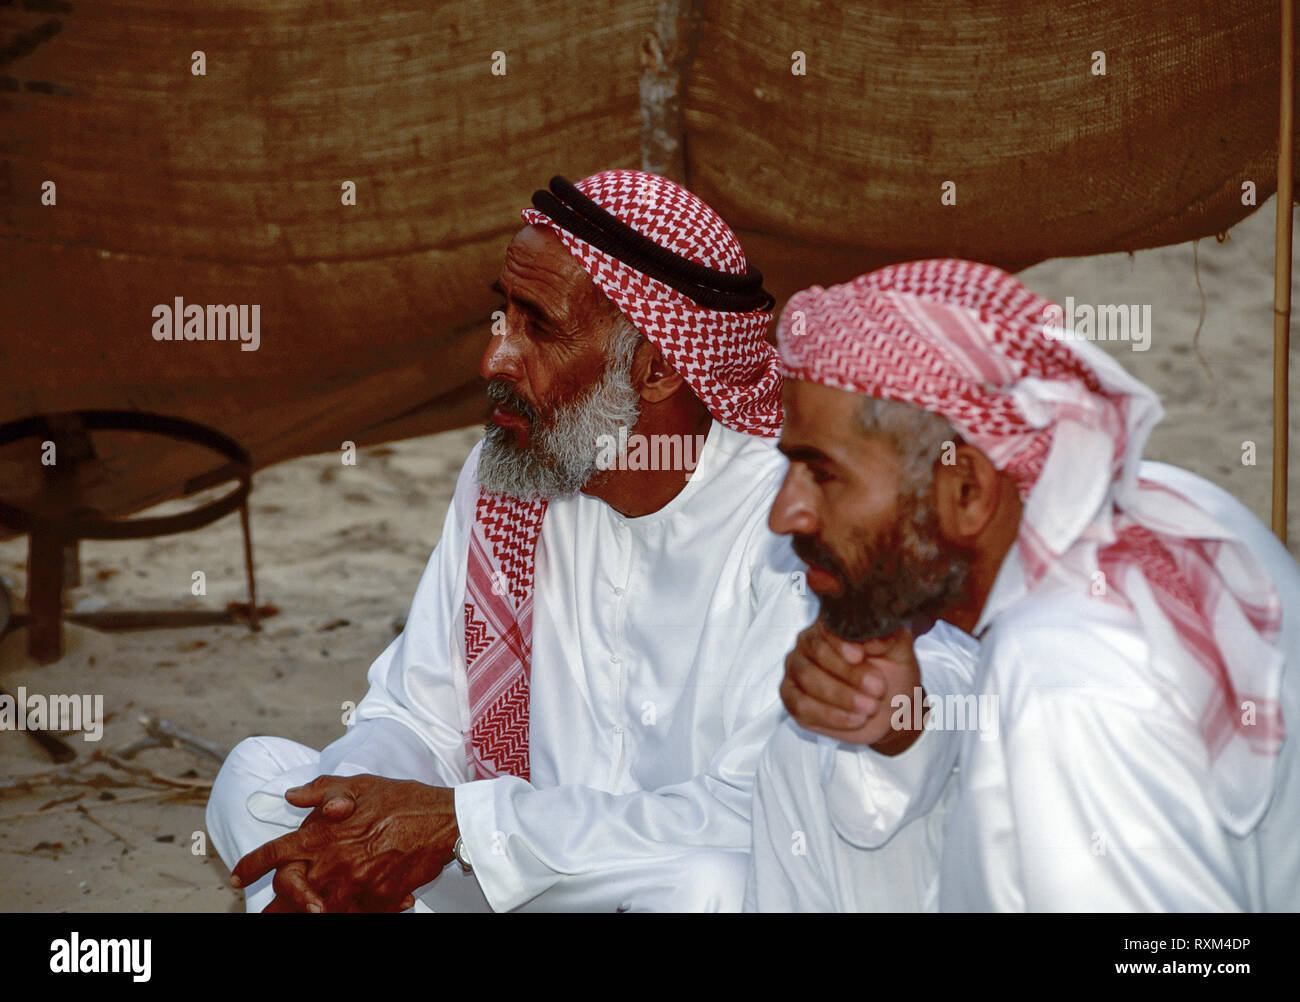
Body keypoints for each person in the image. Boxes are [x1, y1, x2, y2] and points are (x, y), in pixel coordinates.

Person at [205, 168, 823, 913]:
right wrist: (350, 824)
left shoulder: (788, 523)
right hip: (522, 877)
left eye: (539, 326)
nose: (494, 359)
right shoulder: (511, 472)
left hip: (643, 880)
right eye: (503, 317)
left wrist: (466, 826)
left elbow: (753, 811)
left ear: (656, 365)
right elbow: (417, 718)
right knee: (261, 779)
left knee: (711, 889)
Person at [755, 258, 1300, 911]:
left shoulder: (1060, 679)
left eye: (823, 474)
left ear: (968, 490)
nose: (784, 515)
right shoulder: (1179, 509)